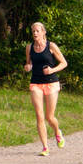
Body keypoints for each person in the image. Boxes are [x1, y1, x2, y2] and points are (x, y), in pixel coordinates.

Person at [24, 22, 67, 157]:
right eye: (33, 31)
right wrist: (28, 67)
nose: (35, 33)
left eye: (37, 31)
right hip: (35, 83)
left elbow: (64, 63)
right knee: (39, 115)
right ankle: (45, 147)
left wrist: (52, 70)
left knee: (49, 117)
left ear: (43, 32)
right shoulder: (29, 47)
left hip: (51, 83)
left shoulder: (51, 46)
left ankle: (57, 132)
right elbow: (29, 63)